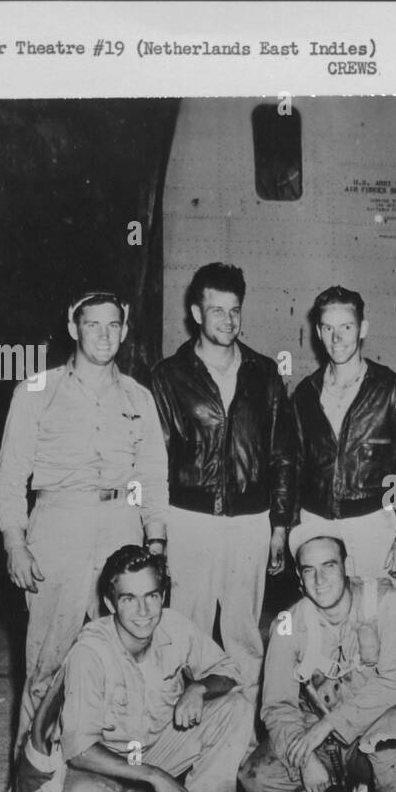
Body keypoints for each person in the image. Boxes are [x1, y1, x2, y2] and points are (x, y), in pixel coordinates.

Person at [0, 291, 168, 739]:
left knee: (123, 659)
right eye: (93, 324)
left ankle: (106, 779)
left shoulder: (139, 397)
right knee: (47, 665)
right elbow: (11, 475)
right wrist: (15, 542)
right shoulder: (36, 392)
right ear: (73, 328)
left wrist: (157, 543)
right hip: (59, 527)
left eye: (113, 325)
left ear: (125, 331)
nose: (104, 335)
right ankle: (32, 790)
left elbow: (152, 475)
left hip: (121, 523)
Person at [56, 545, 255, 792]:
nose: (144, 611)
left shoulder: (174, 626)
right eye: (129, 599)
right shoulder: (89, 652)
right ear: (110, 604)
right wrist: (152, 775)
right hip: (108, 763)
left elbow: (229, 670)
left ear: (163, 595)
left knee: (236, 707)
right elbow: (79, 748)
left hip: (159, 749)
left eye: (151, 596)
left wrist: (199, 688)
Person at [238, 523, 396, 792]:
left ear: (347, 567)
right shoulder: (289, 624)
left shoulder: (387, 602)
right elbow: (276, 707)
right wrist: (306, 760)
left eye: (329, 566)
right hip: (316, 737)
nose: (319, 579)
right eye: (309, 570)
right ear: (299, 578)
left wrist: (330, 724)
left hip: (372, 729)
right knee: (258, 777)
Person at [151, 262, 294, 691]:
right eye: (217, 311)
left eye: (235, 311)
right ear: (196, 313)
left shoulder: (264, 373)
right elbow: (153, 461)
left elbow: (283, 454)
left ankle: (242, 732)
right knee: (184, 629)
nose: (228, 321)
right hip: (189, 520)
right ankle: (181, 726)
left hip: (250, 520)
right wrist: (155, 531)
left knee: (244, 633)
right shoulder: (169, 376)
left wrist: (280, 526)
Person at [289, 285, 396, 582]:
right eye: (328, 328)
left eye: (346, 327)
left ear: (362, 328)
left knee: (374, 617)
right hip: (316, 523)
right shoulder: (305, 394)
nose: (337, 338)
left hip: (373, 524)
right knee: (323, 618)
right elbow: (293, 466)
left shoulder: (390, 388)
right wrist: (290, 526)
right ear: (318, 332)